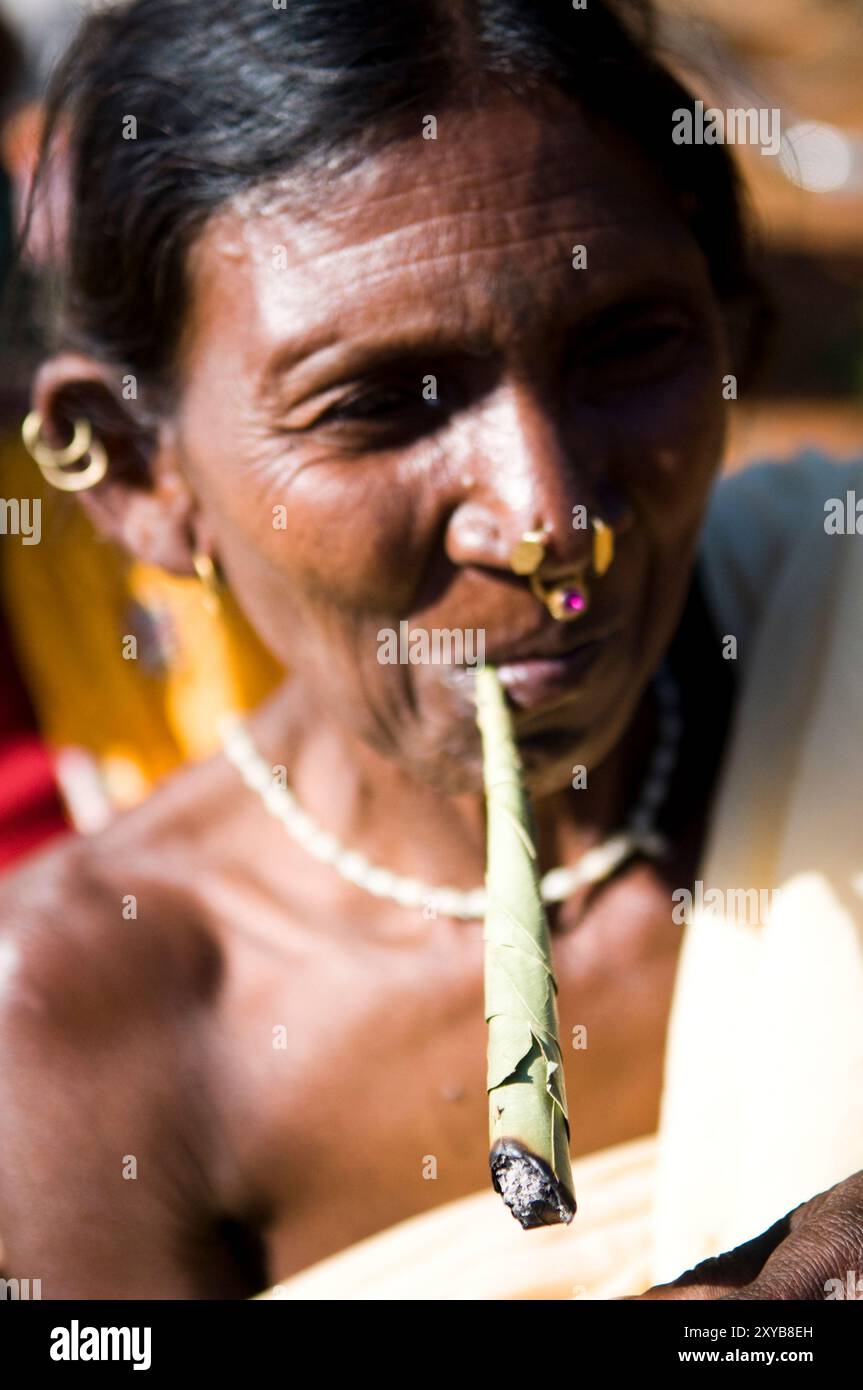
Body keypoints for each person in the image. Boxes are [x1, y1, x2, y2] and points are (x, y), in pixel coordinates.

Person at [0, 0, 859, 1300]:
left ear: (736, 327)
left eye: (630, 346)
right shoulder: (83, 1021)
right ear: (135, 476)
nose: (549, 519)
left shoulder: (841, 624)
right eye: (383, 404)